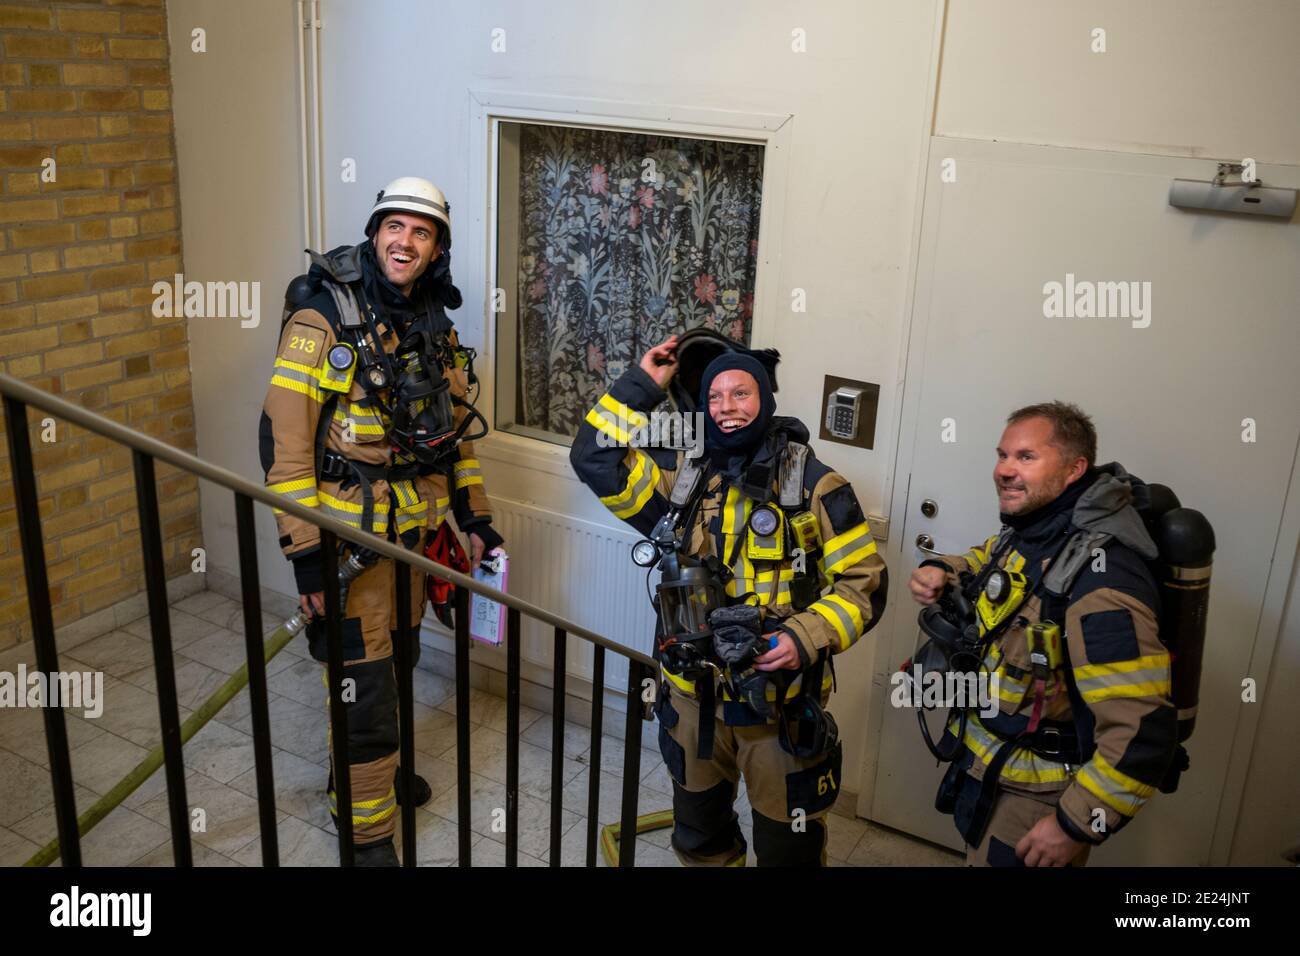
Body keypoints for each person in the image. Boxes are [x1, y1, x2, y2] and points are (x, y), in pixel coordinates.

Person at [259, 176, 504, 865]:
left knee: (396, 667)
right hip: (346, 552)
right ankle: (367, 838)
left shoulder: (435, 324)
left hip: (413, 549)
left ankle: (362, 780)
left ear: (436, 248)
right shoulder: (322, 316)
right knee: (363, 697)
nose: (405, 241)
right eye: (394, 226)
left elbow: (455, 438)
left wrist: (475, 519)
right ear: (374, 234)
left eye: (421, 232)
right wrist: (307, 559)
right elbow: (284, 443)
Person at [570, 334, 887, 866]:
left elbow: (864, 584)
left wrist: (801, 637)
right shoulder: (683, 480)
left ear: (765, 399)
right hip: (694, 705)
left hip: (780, 710)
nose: (726, 408)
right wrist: (644, 384)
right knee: (700, 841)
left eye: (740, 394)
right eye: (715, 397)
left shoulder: (814, 485)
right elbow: (594, 457)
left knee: (790, 852)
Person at [908, 402, 1176, 866]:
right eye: (1003, 455)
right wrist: (940, 568)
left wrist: (1074, 824)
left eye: (1026, 457)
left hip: (1038, 803)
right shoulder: (1034, 532)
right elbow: (985, 561)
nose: (1004, 470)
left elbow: (1142, 732)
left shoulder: (1101, 580)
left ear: (1075, 469)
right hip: (993, 774)